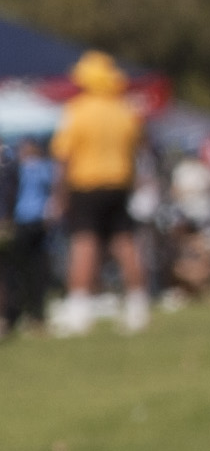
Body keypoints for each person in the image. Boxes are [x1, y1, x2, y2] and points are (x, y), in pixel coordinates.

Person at [49, 51, 149, 334]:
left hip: (86, 186)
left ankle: (79, 311)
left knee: (84, 244)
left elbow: (64, 156)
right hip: (120, 185)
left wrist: (60, 195)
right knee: (125, 243)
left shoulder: (77, 110)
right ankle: (137, 307)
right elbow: (138, 148)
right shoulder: (125, 110)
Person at [2, 137, 54, 336]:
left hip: (26, 222)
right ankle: (33, 314)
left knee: (23, 271)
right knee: (32, 270)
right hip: (33, 222)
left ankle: (25, 314)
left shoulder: (23, 168)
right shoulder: (38, 167)